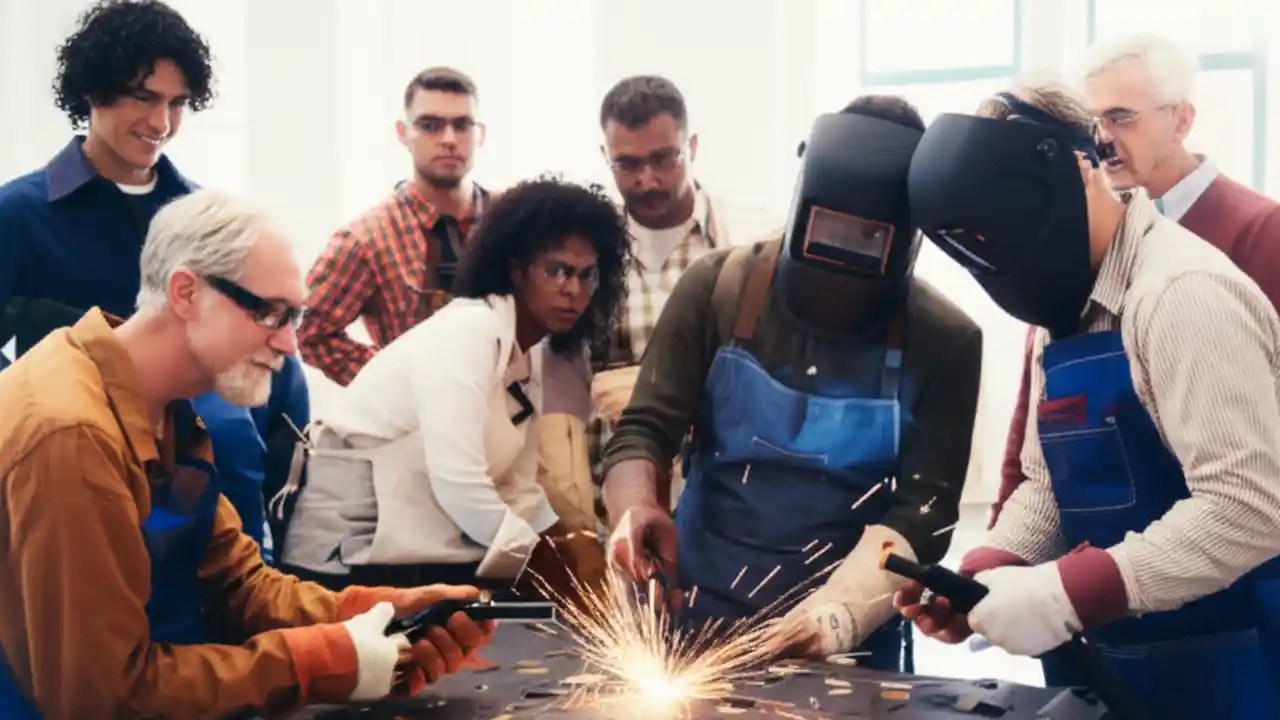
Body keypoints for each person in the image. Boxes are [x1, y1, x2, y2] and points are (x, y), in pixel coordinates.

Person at [0, 189, 494, 719]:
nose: (288, 345)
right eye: (269, 313)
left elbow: (236, 584)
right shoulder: (71, 434)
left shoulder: (159, 406)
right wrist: (319, 661)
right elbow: (100, 696)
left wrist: (376, 612)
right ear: (186, 293)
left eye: (294, 317)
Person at [897, 95, 1280, 718]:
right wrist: (987, 572)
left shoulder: (1183, 295)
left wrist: (1063, 594)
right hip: (1108, 670)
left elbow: (1251, 506)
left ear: (1078, 169)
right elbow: (1049, 482)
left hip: (1231, 670)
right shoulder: (1065, 311)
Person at [602, 96, 982, 672]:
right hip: (693, 615)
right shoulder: (719, 288)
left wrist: (838, 616)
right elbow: (645, 428)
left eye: (868, 238)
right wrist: (634, 509)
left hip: (849, 644)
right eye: (830, 230)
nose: (840, 261)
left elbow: (925, 511)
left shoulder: (944, 340)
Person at [0, 0, 310, 554]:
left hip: (211, 465)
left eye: (177, 103)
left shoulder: (203, 216)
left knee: (235, 427)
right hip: (77, 457)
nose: (161, 123)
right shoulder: (19, 214)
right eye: (143, 97)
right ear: (93, 91)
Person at [281, 176, 629, 602]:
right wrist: (549, 565)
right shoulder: (469, 332)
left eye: (587, 275)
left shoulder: (526, 350)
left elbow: (516, 486)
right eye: (557, 271)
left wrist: (570, 544)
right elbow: (460, 485)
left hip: (413, 554)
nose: (573, 290)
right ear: (516, 271)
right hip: (344, 562)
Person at [990, 39, 1280, 528]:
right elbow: (1034, 415)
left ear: (1182, 120)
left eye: (1121, 118)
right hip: (1105, 540)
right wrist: (1000, 542)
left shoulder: (1261, 231)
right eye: (1093, 123)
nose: (1102, 139)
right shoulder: (1073, 238)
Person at [585, 75, 782, 512]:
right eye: (627, 165)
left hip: (728, 506)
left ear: (691, 146)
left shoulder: (758, 242)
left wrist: (655, 391)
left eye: (663, 159)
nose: (647, 179)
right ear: (605, 157)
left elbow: (782, 375)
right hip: (616, 506)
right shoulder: (587, 251)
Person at [298, 66, 492, 387]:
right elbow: (310, 333)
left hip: (518, 405)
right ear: (403, 133)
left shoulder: (515, 221)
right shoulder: (368, 238)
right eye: (430, 125)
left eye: (462, 125)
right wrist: (393, 384)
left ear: (480, 134)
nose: (448, 139)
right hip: (421, 413)